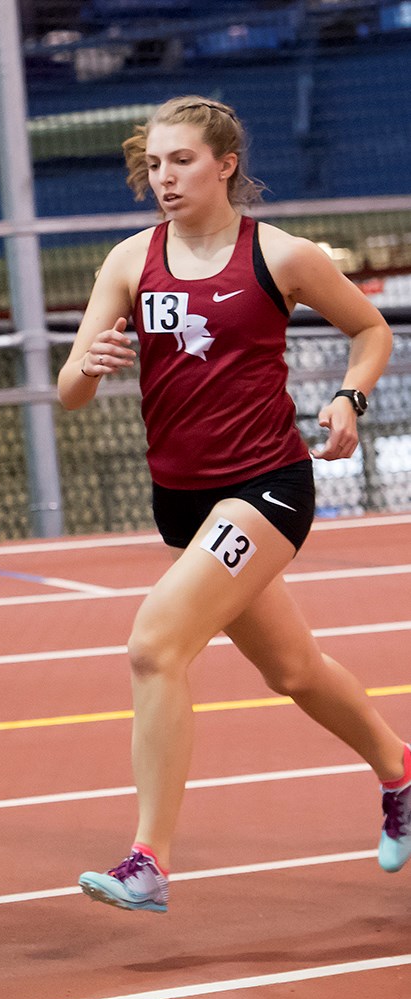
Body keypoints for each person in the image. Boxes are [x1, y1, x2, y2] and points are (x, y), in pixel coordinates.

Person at [58, 96, 411, 914]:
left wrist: (349, 399)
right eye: (152, 164)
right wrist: (90, 362)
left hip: (264, 489)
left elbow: (371, 331)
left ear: (223, 165)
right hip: (179, 504)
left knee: (154, 644)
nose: (164, 178)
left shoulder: (281, 256)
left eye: (180, 161)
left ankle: (149, 859)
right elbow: (70, 394)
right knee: (290, 668)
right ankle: (399, 770)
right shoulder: (126, 261)